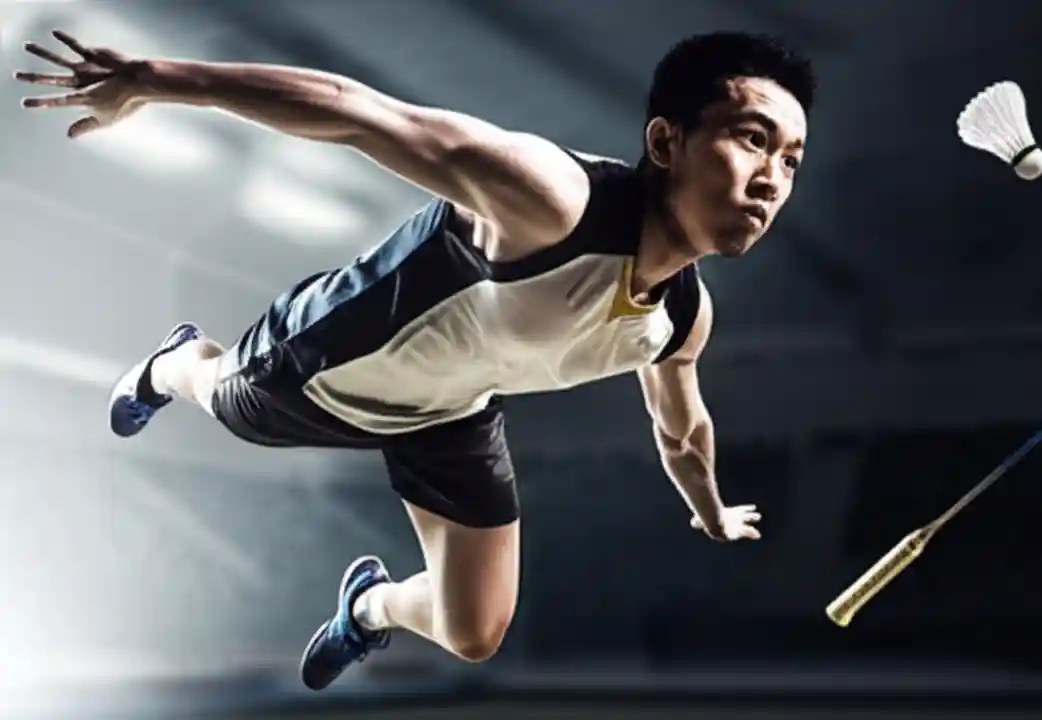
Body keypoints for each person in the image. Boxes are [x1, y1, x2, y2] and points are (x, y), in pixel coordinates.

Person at [14, 28, 815, 690]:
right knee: (223, 398)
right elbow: (357, 112)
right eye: (753, 140)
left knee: (475, 633)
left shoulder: (682, 317)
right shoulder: (550, 199)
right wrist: (154, 78)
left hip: (453, 413)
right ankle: (171, 363)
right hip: (333, 363)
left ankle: (366, 611)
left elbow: (680, 428)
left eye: (791, 161)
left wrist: (708, 508)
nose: (772, 180)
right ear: (666, 142)